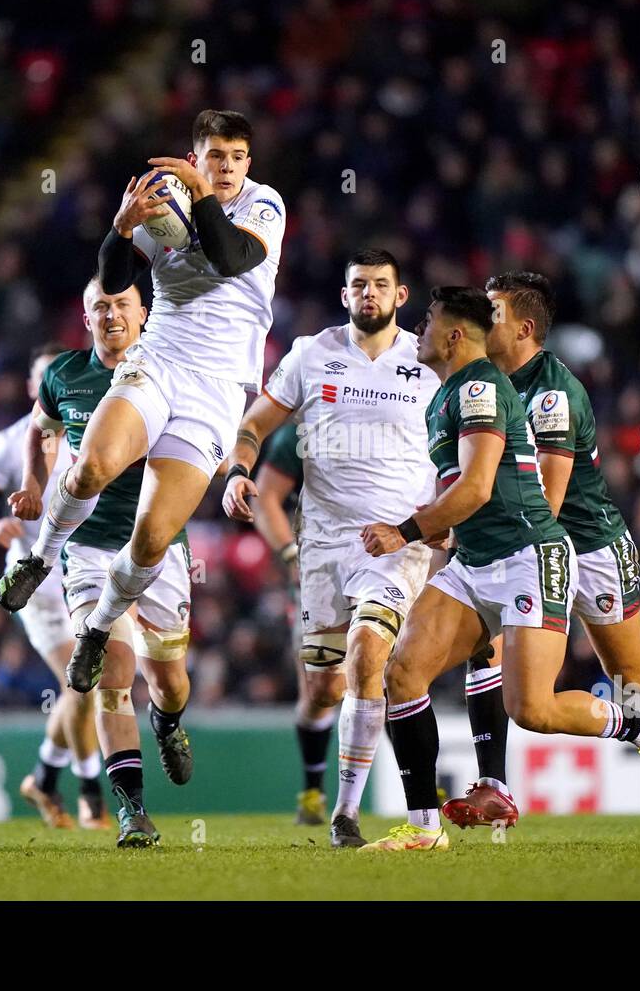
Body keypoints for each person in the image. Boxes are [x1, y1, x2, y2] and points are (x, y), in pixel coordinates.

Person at [360, 287, 640, 852]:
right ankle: (423, 829)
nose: (417, 329)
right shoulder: (446, 394)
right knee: (403, 671)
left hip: (530, 557)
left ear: (454, 335)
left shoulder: (480, 387)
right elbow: (468, 490)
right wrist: (443, 530)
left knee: (532, 710)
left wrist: (406, 531)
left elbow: (480, 485)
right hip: (479, 560)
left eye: (429, 319)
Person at [0, 109, 285, 708]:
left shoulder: (265, 206)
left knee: (152, 539)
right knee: (91, 467)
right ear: (195, 154)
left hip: (218, 387)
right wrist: (123, 230)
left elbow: (231, 258)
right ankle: (40, 559)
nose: (226, 167)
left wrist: (201, 196)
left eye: (236, 157)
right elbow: (115, 277)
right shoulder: (167, 201)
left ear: (247, 164)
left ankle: (98, 628)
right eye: (214, 156)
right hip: (159, 358)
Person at [444, 272, 640, 826]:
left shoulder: (552, 395)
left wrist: (483, 542)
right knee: (487, 648)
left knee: (635, 676)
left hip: (588, 548)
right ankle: (493, 786)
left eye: (494, 312)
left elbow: (546, 502)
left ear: (525, 328)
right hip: (527, 552)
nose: (482, 320)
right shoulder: (480, 381)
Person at [222, 249, 440, 847]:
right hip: (321, 543)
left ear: (401, 296)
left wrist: (446, 522)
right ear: (344, 296)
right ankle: (319, 778)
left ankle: (345, 814)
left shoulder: (428, 363)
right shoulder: (310, 355)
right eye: (358, 285)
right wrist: (240, 469)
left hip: (394, 542)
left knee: (368, 655)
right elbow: (256, 422)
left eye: (380, 285)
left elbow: (461, 448)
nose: (368, 293)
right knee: (323, 687)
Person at [9, 278, 194, 849]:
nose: (111, 314)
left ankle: (167, 722)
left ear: (144, 313)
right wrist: (32, 485)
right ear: (86, 316)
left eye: (122, 305)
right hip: (87, 547)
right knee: (111, 677)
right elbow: (39, 432)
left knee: (166, 679)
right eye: (100, 306)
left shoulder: (172, 371)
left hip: (158, 544)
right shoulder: (64, 375)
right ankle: (131, 810)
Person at [0, 344, 107, 830]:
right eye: (44, 379)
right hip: (35, 582)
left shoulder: (90, 432)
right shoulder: (10, 442)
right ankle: (90, 798)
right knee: (80, 681)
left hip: (83, 572)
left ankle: (44, 780)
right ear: (32, 388)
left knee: (84, 683)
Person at [250, 421, 335, 825]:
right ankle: (313, 789)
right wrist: (289, 553)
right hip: (321, 572)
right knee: (321, 690)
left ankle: (416, 792)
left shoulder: (402, 406)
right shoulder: (304, 430)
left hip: (390, 562)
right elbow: (265, 496)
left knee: (393, 678)